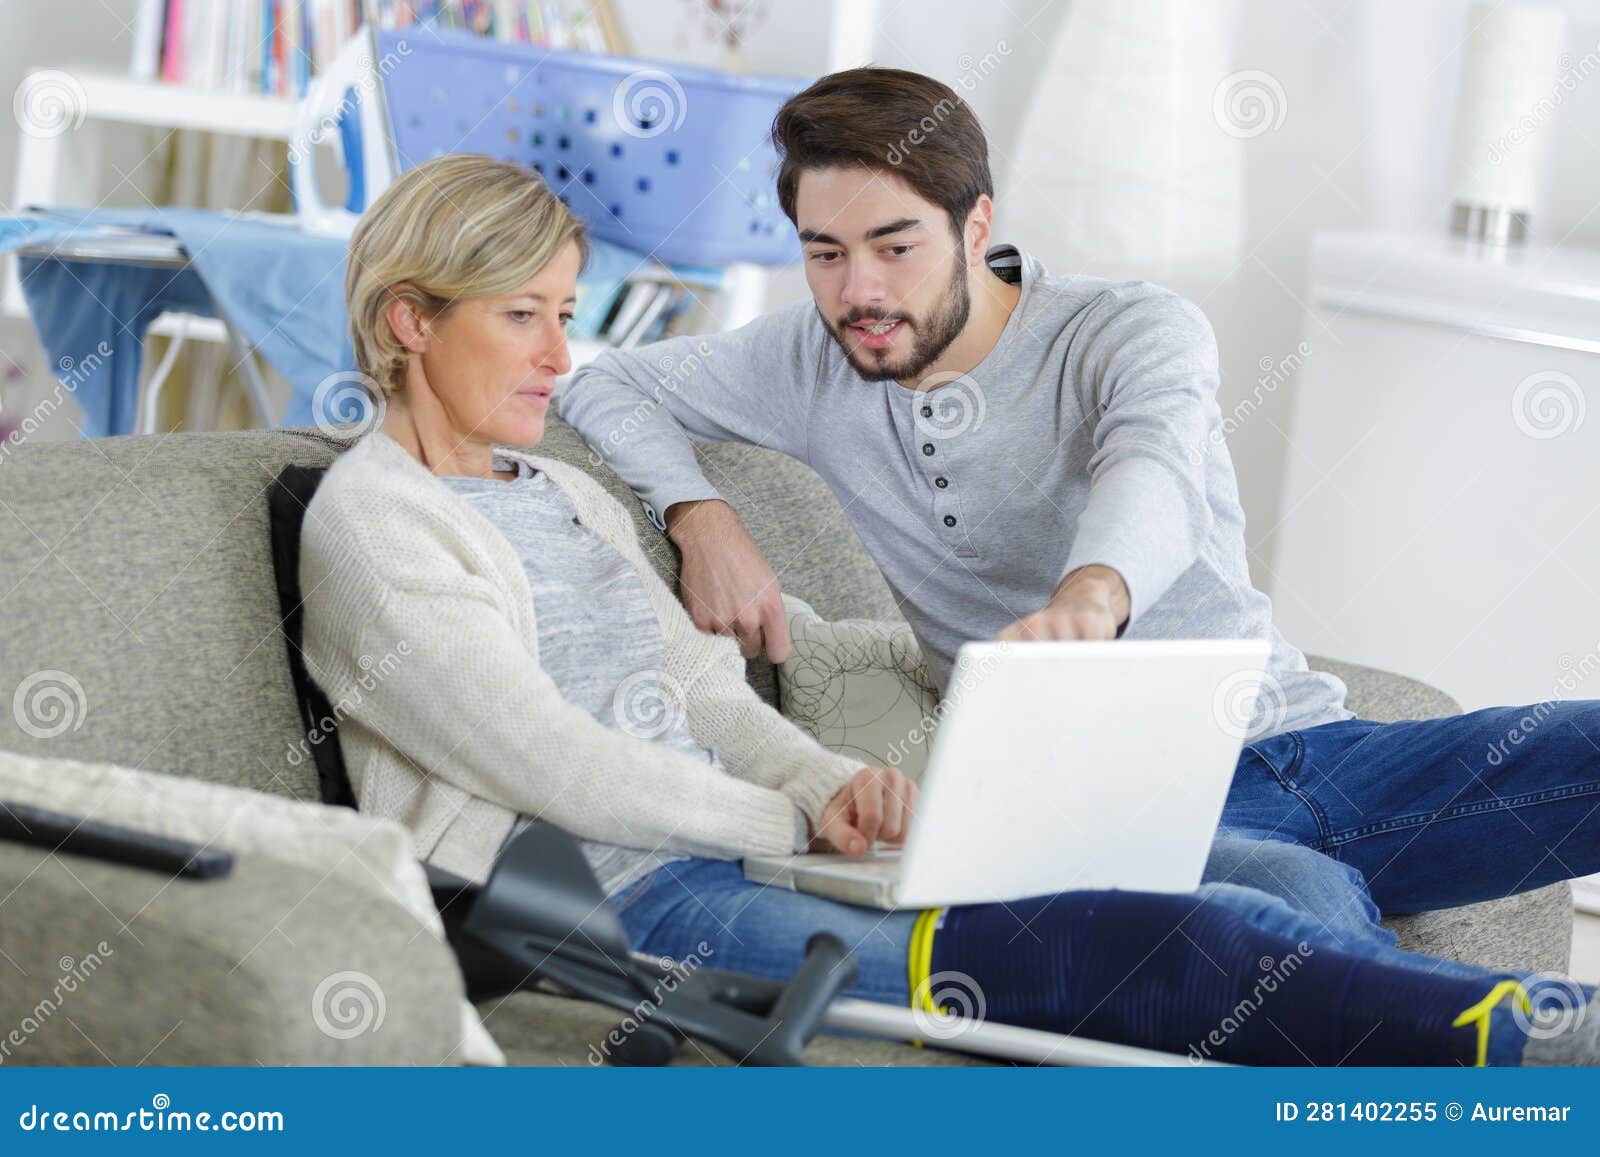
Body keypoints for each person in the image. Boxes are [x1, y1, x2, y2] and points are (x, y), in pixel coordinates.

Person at [298, 153, 1597, 1066]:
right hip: (608, 900)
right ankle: (1529, 1033)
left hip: (739, 844)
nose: (559, 358)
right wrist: (797, 814)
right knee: (1128, 943)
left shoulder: (560, 497)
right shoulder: (372, 523)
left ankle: (1503, 1040)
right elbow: (550, 762)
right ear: (410, 319)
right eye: (521, 318)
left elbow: (696, 688)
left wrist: (833, 778)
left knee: (1269, 874)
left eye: (565, 316)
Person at [561, 67, 1600, 965]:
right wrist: (702, 514)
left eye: (894, 246)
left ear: (977, 225)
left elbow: (1151, 467)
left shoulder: (1128, 329)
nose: (859, 290)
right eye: (823, 252)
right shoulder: (801, 358)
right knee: (1301, 903)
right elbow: (595, 387)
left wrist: (1090, 597)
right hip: (1096, 799)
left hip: (1298, 741)